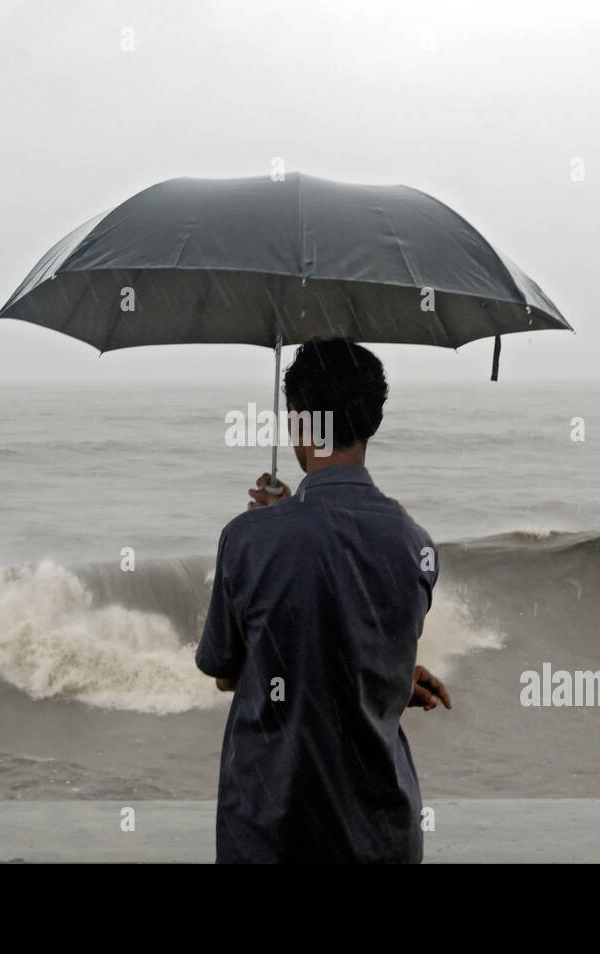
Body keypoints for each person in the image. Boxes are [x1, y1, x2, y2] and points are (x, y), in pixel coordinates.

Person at [195, 337, 451, 864]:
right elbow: (350, 643)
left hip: (273, 830)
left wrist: (273, 525)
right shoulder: (415, 545)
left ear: (297, 422)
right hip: (381, 833)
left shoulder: (246, 539)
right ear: (373, 421)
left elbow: (228, 673)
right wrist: (396, 679)